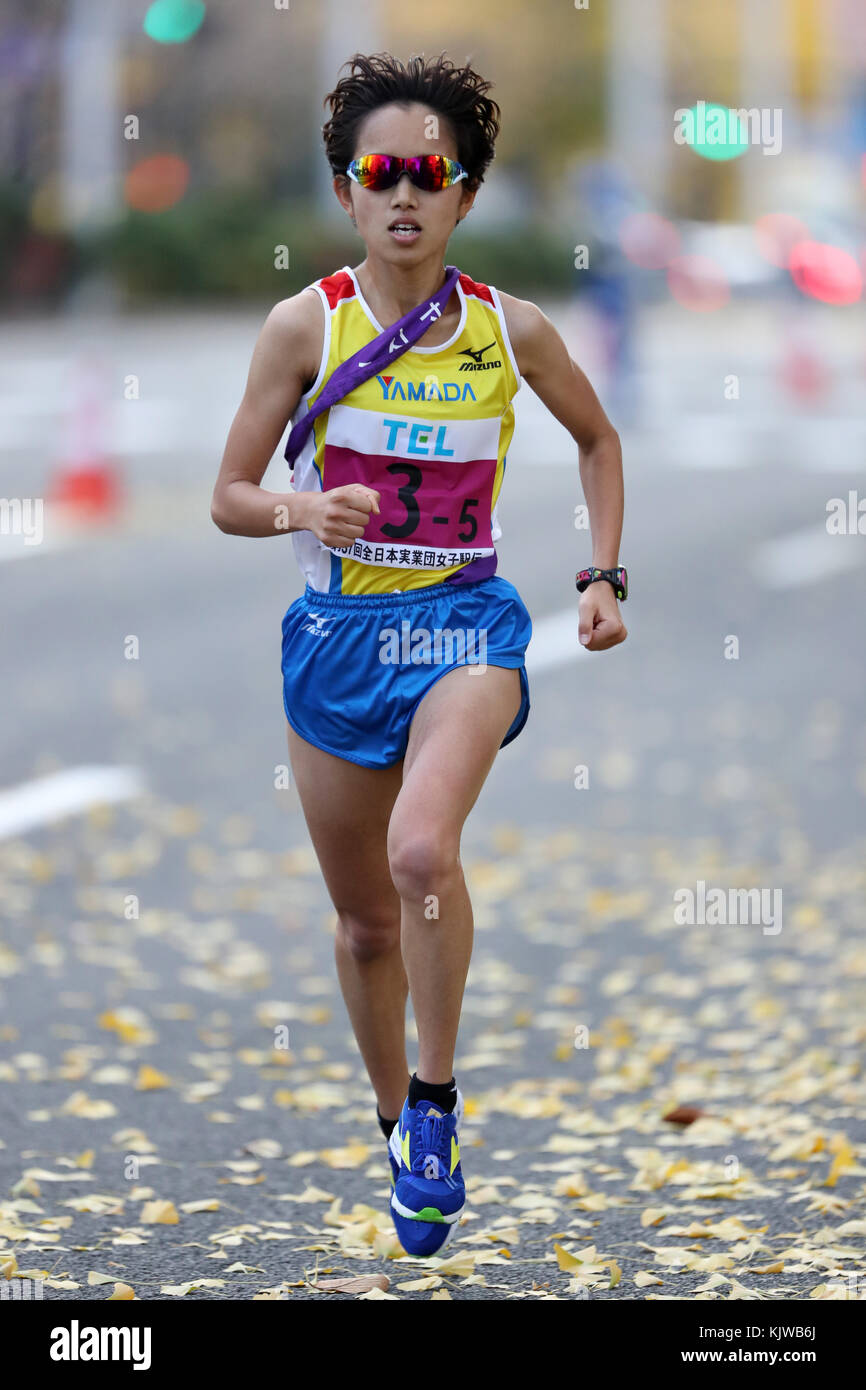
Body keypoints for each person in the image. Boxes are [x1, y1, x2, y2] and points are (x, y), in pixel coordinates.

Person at [210, 51, 627, 1257]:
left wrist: (599, 575)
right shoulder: (308, 323)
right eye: (377, 171)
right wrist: (302, 510)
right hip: (337, 638)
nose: (403, 192)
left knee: (419, 849)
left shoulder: (512, 330)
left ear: (462, 193)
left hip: (462, 629)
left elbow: (597, 439)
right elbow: (230, 493)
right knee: (362, 929)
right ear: (346, 192)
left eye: (427, 172)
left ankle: (437, 1108)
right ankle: (397, 1123)